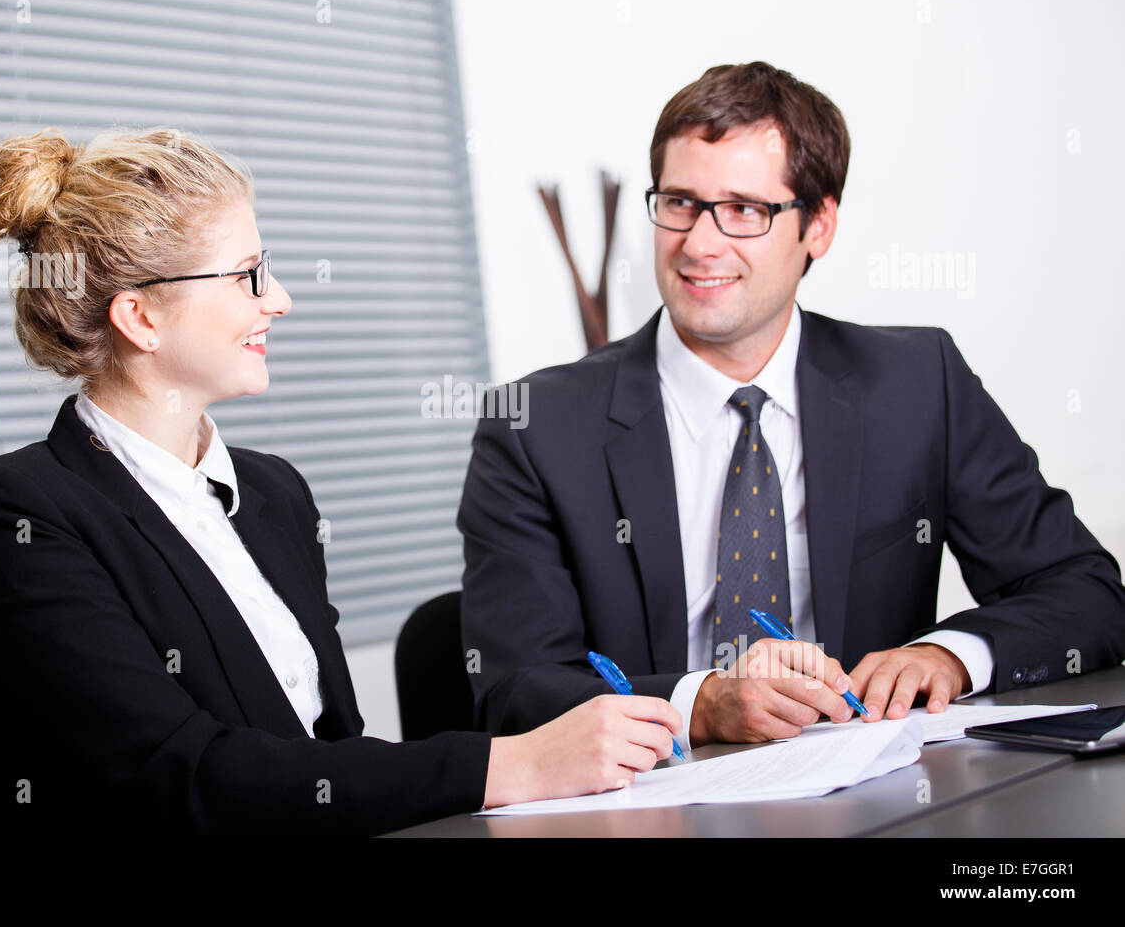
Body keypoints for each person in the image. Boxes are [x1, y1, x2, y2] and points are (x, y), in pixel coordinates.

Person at [0, 127, 681, 837]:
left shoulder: (273, 492)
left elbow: (329, 761)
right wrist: (510, 764)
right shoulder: (15, 515)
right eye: (247, 276)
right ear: (140, 317)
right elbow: (179, 778)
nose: (279, 299)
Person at [458, 61, 1125, 748]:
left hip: (875, 784)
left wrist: (950, 655)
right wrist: (700, 706)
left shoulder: (919, 384)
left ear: (819, 226)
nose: (700, 244)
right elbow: (514, 690)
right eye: (681, 202)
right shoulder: (534, 428)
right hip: (656, 790)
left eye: (744, 210)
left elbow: (1086, 592)